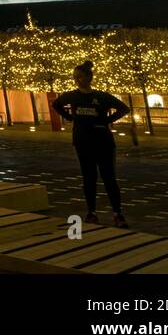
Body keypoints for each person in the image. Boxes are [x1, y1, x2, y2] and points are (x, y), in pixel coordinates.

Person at [52, 60, 130, 228]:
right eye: (75, 77)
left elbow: (124, 108)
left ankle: (117, 213)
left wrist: (107, 120)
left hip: (103, 142)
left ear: (89, 77)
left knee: (109, 177)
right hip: (83, 141)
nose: (77, 80)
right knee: (89, 177)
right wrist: (70, 118)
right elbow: (56, 104)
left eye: (80, 77)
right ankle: (92, 212)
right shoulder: (72, 95)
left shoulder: (101, 96)